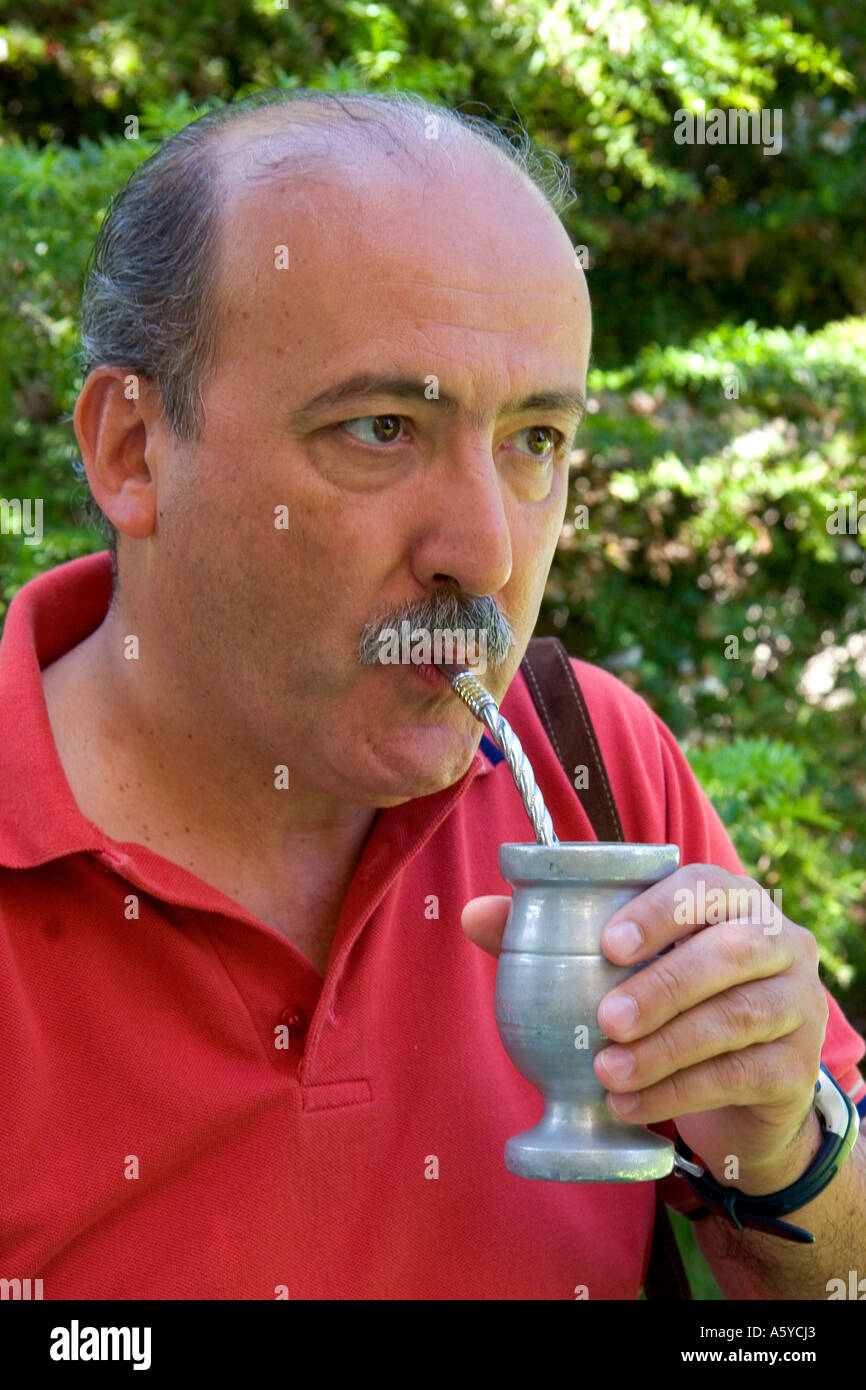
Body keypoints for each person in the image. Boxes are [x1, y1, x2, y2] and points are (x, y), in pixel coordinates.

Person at [1, 88, 863, 1301]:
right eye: (381, 427)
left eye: (534, 442)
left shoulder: (588, 766)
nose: (489, 551)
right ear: (134, 451)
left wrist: (786, 1150)